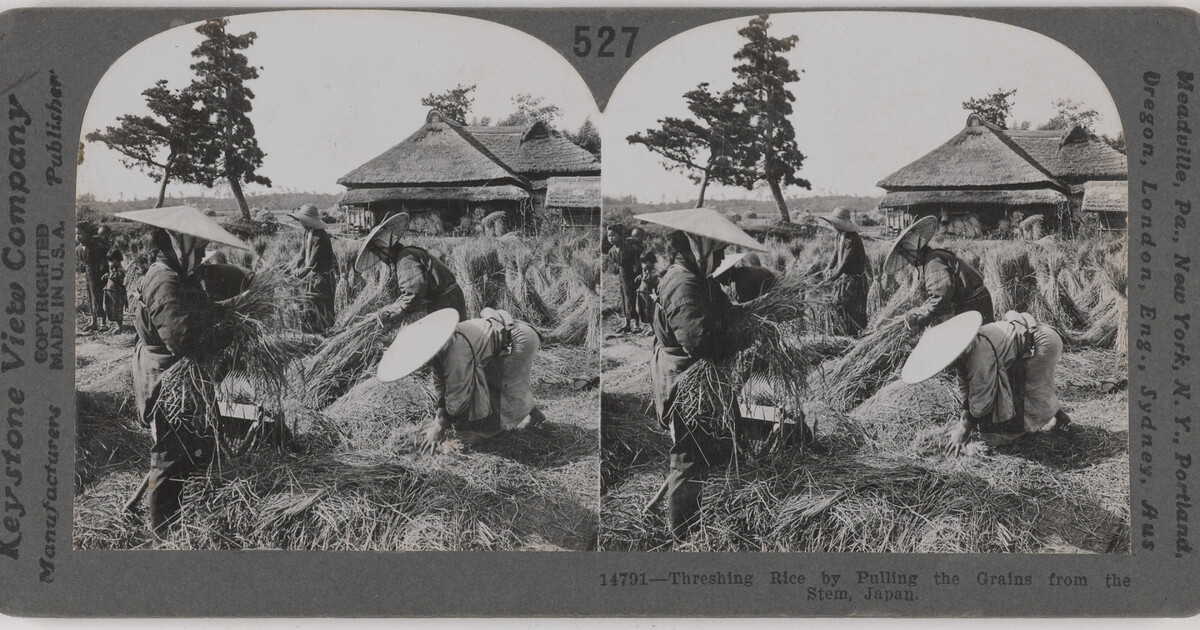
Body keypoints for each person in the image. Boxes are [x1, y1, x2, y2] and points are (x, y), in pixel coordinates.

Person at [116, 205, 250, 541]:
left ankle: (183, 520)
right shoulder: (164, 280)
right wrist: (226, 335)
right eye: (200, 246)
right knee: (169, 456)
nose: (204, 253)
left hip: (185, 376)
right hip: (167, 379)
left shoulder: (182, 277)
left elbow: (200, 313)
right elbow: (182, 338)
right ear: (181, 242)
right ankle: (163, 535)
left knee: (193, 444)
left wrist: (235, 310)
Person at [635, 207, 767, 540]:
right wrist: (745, 336)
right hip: (686, 382)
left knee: (722, 439)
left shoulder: (699, 279)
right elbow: (699, 341)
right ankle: (684, 533)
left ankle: (719, 509)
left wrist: (757, 315)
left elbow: (725, 313)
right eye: (718, 250)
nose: (722, 256)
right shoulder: (682, 283)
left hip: (706, 378)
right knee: (689, 457)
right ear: (700, 245)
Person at [900, 310, 1072, 456]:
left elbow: (983, 394)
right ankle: (1062, 417)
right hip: (1028, 341)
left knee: (1030, 393)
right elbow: (965, 385)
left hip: (1043, 343)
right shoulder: (964, 351)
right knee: (1034, 390)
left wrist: (964, 429)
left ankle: (1024, 433)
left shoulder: (978, 355)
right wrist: (964, 416)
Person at [375, 307, 546, 452]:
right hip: (501, 341)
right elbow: (441, 384)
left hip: (519, 340)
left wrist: (440, 427)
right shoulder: (440, 348)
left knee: (505, 388)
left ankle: (497, 430)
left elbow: (459, 393)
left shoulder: (455, 351)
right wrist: (439, 416)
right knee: (494, 385)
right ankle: (534, 414)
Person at [354, 213, 467, 325]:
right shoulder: (405, 255)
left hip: (447, 301)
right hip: (447, 298)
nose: (381, 259)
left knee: (451, 338)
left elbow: (414, 291)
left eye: (379, 254)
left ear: (385, 247)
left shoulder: (405, 259)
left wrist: (399, 309)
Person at [884, 215, 993, 330]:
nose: (909, 261)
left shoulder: (933, 262)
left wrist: (927, 312)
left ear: (914, 251)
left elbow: (942, 293)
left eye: (907, 256)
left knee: (977, 342)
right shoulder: (933, 257)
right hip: (974, 301)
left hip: (975, 304)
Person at [819, 207, 869, 336]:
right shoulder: (839, 235)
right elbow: (835, 255)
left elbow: (844, 264)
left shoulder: (852, 239)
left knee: (851, 309)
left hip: (853, 280)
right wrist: (828, 268)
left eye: (834, 223)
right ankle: (843, 333)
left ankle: (854, 335)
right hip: (843, 279)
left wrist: (831, 279)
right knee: (839, 307)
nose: (832, 225)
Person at [289, 204, 337, 333]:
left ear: (309, 220)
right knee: (311, 304)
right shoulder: (307, 232)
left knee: (322, 306)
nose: (300, 222)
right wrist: (294, 266)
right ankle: (314, 331)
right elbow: (302, 254)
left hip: (323, 278)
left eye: (301, 220)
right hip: (313, 277)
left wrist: (300, 273)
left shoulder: (320, 237)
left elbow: (311, 263)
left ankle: (327, 333)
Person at [606, 224, 644, 333]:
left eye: (613, 235)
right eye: (609, 236)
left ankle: (636, 324)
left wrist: (637, 273)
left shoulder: (629, 247)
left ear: (620, 235)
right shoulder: (611, 251)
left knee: (633, 298)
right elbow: (616, 265)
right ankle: (627, 324)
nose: (611, 238)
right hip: (622, 277)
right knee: (624, 298)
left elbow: (636, 262)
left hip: (632, 275)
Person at [77, 222, 109, 330]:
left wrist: (104, 272)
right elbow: (82, 262)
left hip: (98, 275)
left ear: (87, 234)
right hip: (88, 275)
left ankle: (103, 322)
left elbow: (103, 259)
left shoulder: (95, 246)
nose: (77, 236)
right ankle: (93, 321)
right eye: (76, 234)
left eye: (80, 234)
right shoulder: (79, 248)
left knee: (99, 297)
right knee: (91, 297)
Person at [712, 253, 778, 304]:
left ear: (727, 272)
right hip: (769, 277)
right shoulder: (737, 273)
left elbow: (745, 303)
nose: (720, 282)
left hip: (773, 282)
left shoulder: (741, 279)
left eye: (720, 278)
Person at [101, 253, 127, 333]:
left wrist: (110, 273)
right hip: (110, 291)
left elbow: (117, 278)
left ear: (117, 261)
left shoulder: (120, 270)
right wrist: (108, 273)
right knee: (110, 308)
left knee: (117, 309)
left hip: (116, 292)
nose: (110, 263)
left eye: (111, 261)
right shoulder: (113, 269)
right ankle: (117, 325)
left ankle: (120, 327)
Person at [634, 252, 659, 332]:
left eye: (645, 262)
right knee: (642, 311)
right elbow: (643, 275)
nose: (643, 265)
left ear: (652, 262)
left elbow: (652, 280)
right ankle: (652, 328)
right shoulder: (645, 269)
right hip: (642, 291)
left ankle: (655, 329)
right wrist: (640, 276)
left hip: (649, 294)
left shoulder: (654, 271)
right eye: (642, 263)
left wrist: (645, 276)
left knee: (650, 312)